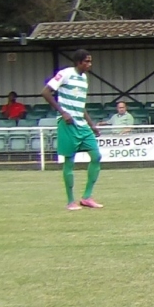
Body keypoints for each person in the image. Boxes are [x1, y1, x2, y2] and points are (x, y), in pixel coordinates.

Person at [43, 50, 102, 210]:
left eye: (90, 61)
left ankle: (86, 197)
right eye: (87, 62)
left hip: (82, 125)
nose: (89, 65)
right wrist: (63, 112)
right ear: (78, 62)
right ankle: (70, 201)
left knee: (96, 156)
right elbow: (45, 92)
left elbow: (81, 106)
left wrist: (91, 125)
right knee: (69, 161)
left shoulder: (84, 79)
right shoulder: (65, 74)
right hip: (67, 124)